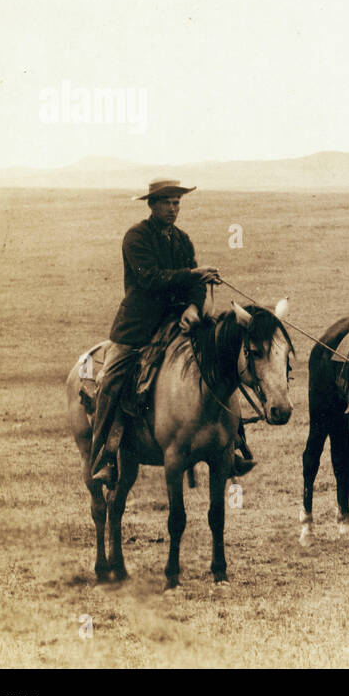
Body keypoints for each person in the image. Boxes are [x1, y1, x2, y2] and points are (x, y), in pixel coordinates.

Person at [89, 179, 238, 486]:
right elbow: (150, 279)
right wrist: (194, 273)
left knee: (219, 359)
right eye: (168, 203)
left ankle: (233, 444)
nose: (173, 208)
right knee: (112, 379)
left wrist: (194, 307)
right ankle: (105, 454)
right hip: (138, 327)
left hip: (178, 322)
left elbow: (196, 284)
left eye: (177, 203)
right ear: (152, 205)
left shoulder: (182, 240)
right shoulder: (136, 237)